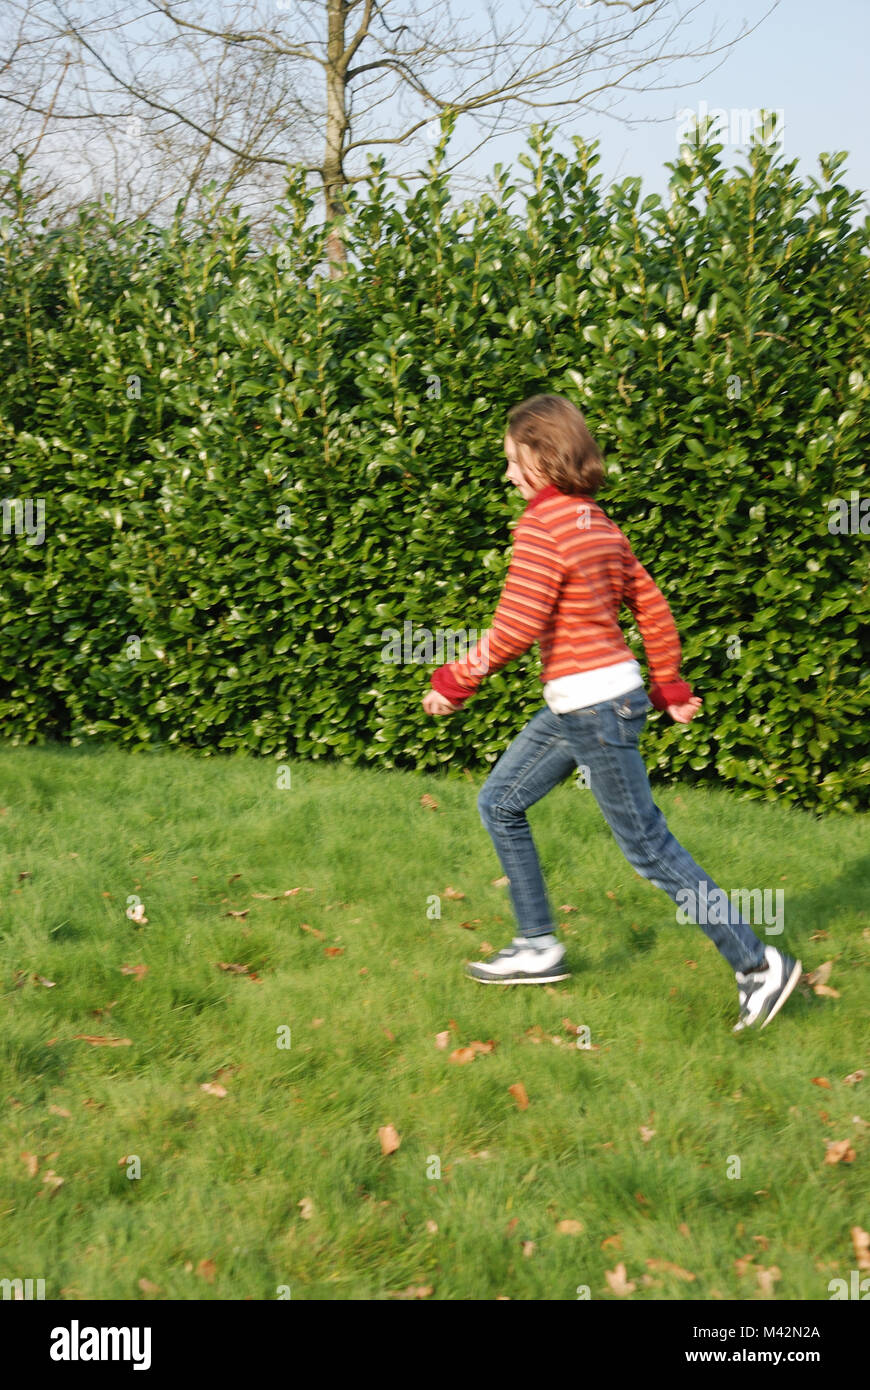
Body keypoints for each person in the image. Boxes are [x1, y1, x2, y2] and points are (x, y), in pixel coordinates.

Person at [421, 394, 801, 1032]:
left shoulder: (542, 527)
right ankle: (538, 943)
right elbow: (650, 601)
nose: (509, 476)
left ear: (542, 458)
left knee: (649, 848)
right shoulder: (597, 522)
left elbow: (516, 626)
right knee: (500, 802)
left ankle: (758, 965)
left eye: (513, 462)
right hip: (595, 702)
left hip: (593, 707)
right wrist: (669, 685)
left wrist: (454, 682)